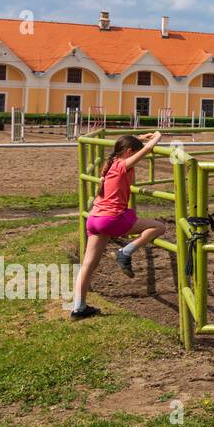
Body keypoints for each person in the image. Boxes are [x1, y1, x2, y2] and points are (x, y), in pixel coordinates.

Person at [70, 132, 167, 319]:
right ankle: (126, 251)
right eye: (134, 153)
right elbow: (147, 149)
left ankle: (78, 308)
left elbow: (123, 146)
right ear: (129, 152)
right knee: (158, 227)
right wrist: (157, 136)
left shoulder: (109, 165)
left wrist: (141, 136)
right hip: (111, 219)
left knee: (88, 264)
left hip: (94, 219)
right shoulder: (123, 165)